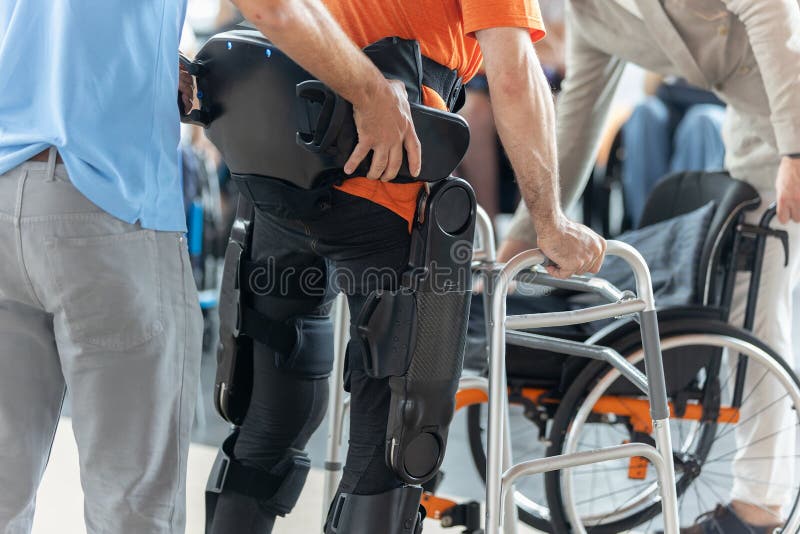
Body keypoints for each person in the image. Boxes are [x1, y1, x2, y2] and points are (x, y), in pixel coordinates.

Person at [0, 0, 423, 532]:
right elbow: (273, 8)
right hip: (106, 208)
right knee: (133, 504)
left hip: (7, 185)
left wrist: (153, 57)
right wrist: (371, 92)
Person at [203, 0, 607, 533]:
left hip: (278, 172)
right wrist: (550, 222)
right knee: (392, 444)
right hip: (382, 178)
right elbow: (513, 77)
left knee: (271, 414)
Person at [499, 1, 800, 531]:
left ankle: (762, 505)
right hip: (755, 124)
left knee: (759, 295)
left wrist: (797, 151)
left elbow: (771, 8)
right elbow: (579, 115)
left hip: (792, 105)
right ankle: (761, 503)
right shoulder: (591, 16)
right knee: (750, 292)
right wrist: (527, 232)